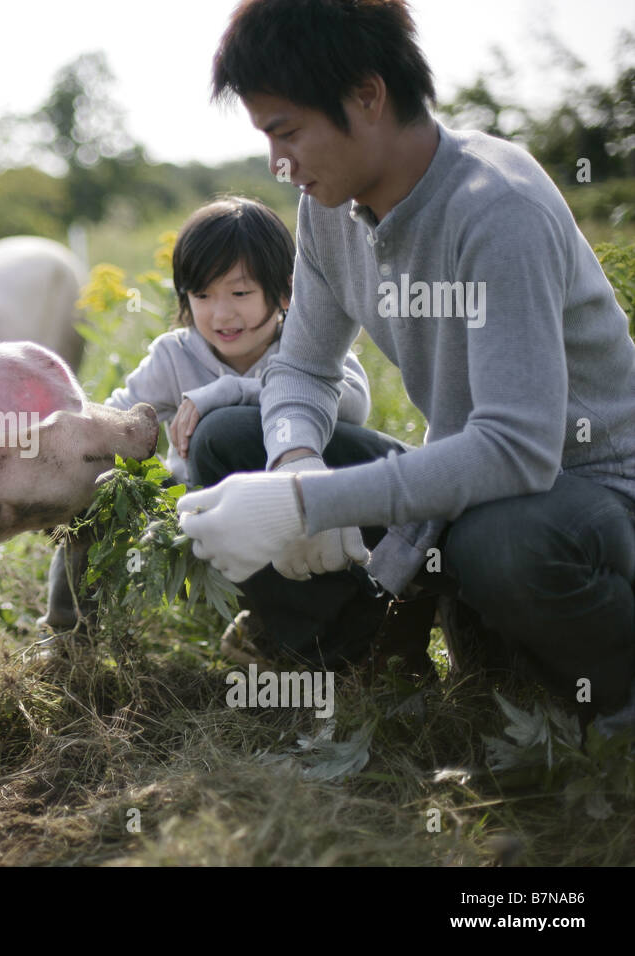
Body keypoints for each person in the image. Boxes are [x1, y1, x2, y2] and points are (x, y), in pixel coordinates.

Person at [180, 0, 635, 734]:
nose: (278, 164)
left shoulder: (497, 210)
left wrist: (306, 506)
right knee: (230, 440)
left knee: (503, 542)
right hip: (470, 485)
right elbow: (300, 368)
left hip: (587, 497)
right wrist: (295, 464)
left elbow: (518, 451)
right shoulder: (329, 208)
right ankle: (365, 662)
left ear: (367, 94)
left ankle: (616, 698)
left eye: (286, 132)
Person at [43, 196, 406, 668]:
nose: (220, 315)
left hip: (297, 509)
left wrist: (229, 391)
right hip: (198, 509)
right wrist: (65, 450)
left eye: (239, 294)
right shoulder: (176, 355)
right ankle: (68, 639)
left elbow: (354, 404)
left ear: (285, 292)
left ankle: (326, 629)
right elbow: (120, 417)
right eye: (202, 296)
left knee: (226, 433)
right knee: (101, 489)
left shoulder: (307, 339)